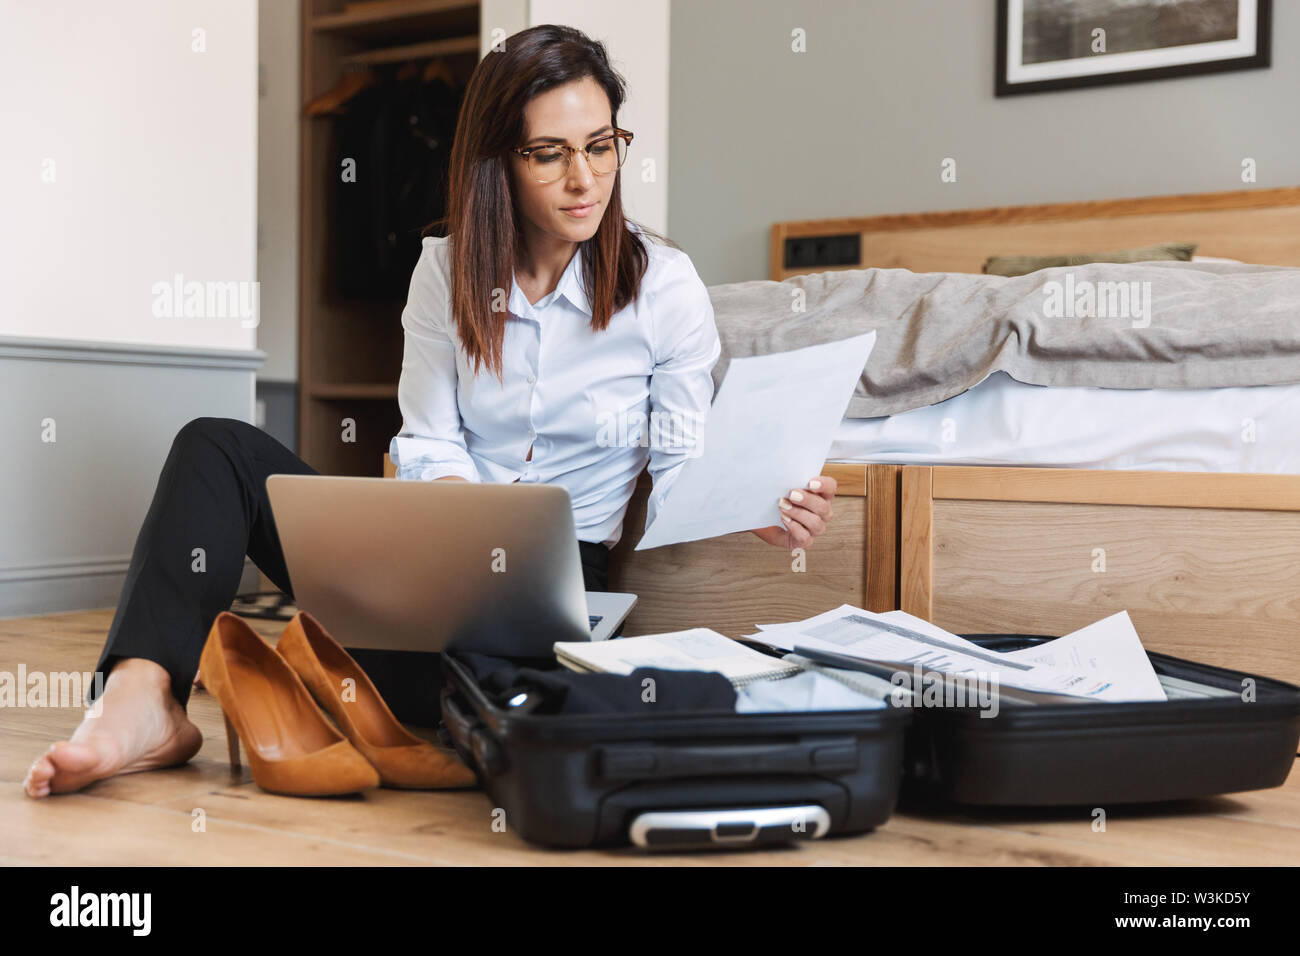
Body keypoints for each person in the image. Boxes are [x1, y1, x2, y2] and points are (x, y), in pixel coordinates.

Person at [23, 24, 838, 799]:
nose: (584, 179)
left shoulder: (663, 286)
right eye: (549, 155)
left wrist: (753, 508)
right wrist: (450, 538)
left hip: (552, 598)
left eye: (601, 147)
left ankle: (347, 676)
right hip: (425, 561)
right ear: (499, 163)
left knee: (509, 688)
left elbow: (680, 458)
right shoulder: (443, 273)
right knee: (214, 446)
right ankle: (142, 699)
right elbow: (429, 437)